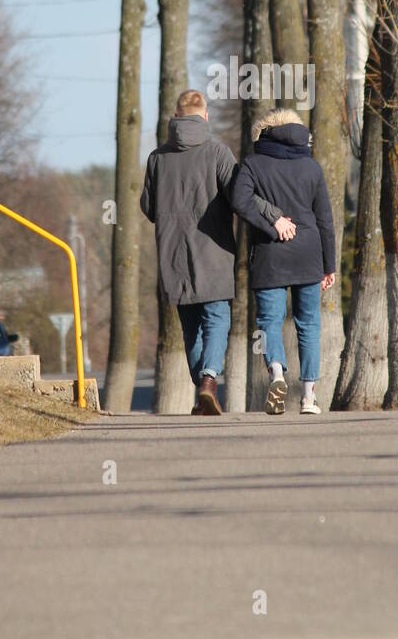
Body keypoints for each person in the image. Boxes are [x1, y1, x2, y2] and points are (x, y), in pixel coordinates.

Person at [140, 89, 292, 416]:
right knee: (217, 319)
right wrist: (274, 216)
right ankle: (209, 381)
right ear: (205, 117)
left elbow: (148, 208)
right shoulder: (217, 153)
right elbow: (241, 194)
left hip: (173, 258)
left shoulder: (157, 158)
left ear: (176, 118)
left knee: (191, 328)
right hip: (214, 254)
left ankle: (204, 388)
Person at [231, 109, 336, 416]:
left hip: (269, 253)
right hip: (309, 252)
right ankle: (308, 396)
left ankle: (277, 372)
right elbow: (325, 220)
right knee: (309, 324)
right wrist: (329, 265)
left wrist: (271, 224)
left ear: (264, 132)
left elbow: (239, 202)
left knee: (268, 322)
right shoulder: (311, 167)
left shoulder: (253, 164)